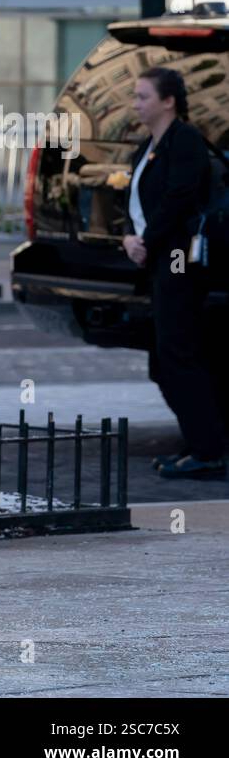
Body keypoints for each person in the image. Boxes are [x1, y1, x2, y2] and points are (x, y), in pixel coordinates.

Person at [122, 66, 226, 478]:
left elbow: (179, 197)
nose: (136, 104)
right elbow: (132, 201)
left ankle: (207, 450)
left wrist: (145, 239)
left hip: (178, 259)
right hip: (156, 257)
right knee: (166, 357)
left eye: (143, 96)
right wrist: (129, 237)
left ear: (168, 101)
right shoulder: (147, 147)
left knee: (177, 353)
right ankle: (200, 443)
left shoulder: (186, 142)